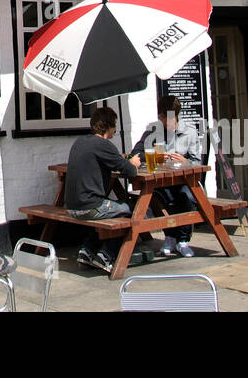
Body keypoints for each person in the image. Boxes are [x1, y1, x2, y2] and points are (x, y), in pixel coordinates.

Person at [65, 106, 143, 274]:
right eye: (114, 125)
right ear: (108, 126)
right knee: (134, 211)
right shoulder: (103, 144)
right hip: (89, 207)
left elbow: (109, 160)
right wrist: (134, 163)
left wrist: (118, 159)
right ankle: (106, 255)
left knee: (112, 209)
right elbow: (130, 171)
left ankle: (86, 250)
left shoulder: (80, 142)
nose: (115, 129)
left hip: (71, 207)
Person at [131, 94, 202, 258]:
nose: (164, 122)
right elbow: (137, 152)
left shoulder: (189, 132)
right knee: (159, 197)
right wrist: (155, 157)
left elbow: (198, 163)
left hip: (185, 180)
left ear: (176, 116)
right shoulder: (154, 130)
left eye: (166, 118)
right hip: (162, 180)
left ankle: (182, 240)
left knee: (187, 197)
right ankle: (170, 237)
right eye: (162, 118)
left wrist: (185, 161)